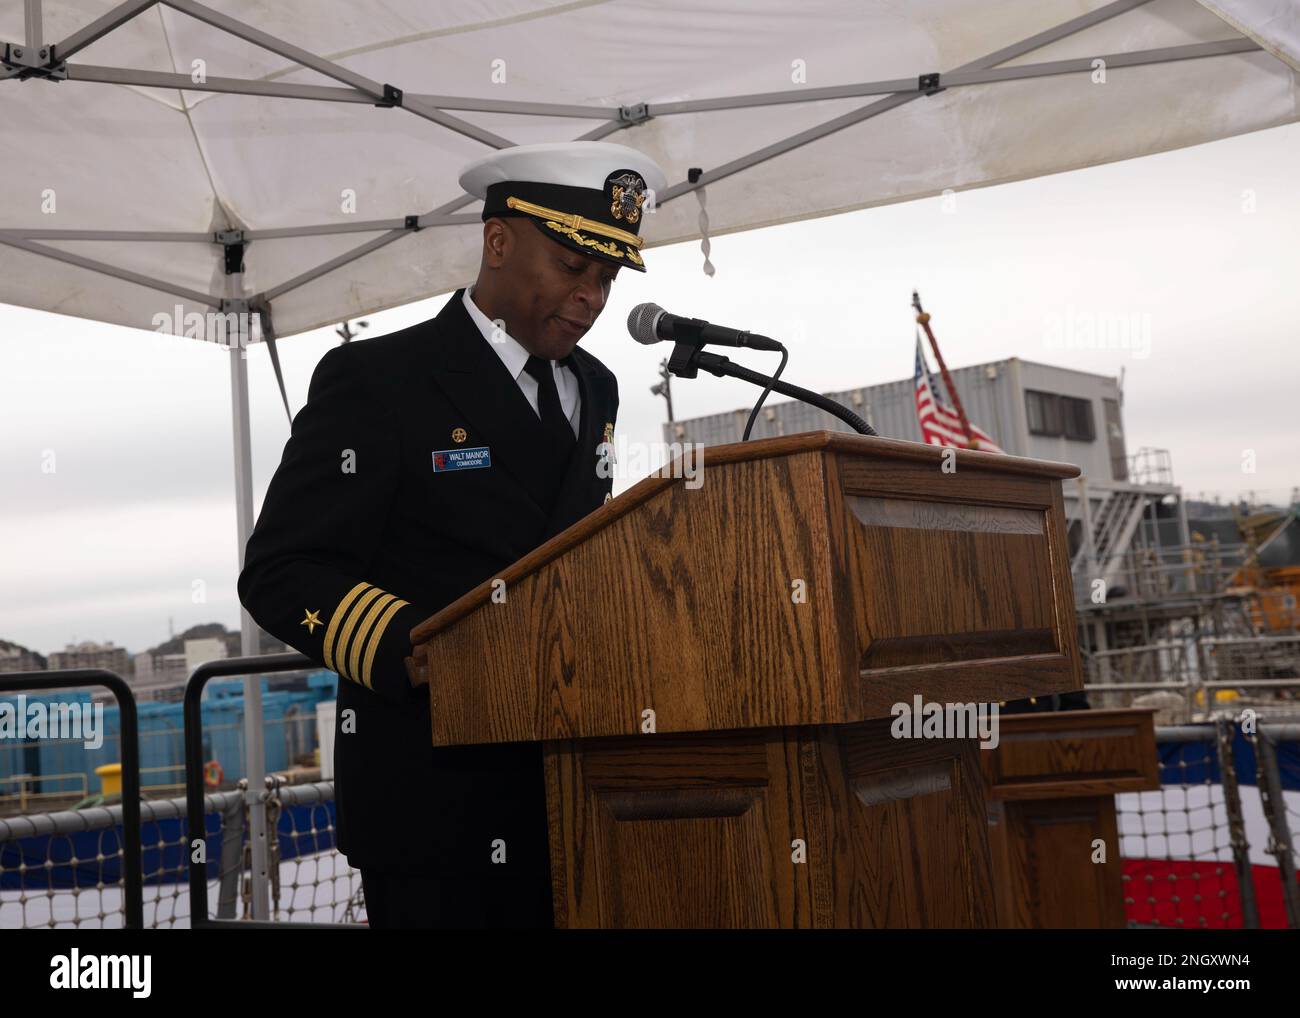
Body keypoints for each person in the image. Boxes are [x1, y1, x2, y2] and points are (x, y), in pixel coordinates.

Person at [237, 141, 667, 928]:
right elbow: (280, 571)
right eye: (574, 265)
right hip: (434, 801)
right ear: (497, 241)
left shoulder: (595, 386)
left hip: (576, 787)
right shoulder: (379, 381)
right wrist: (416, 644)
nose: (592, 296)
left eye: (606, 278)